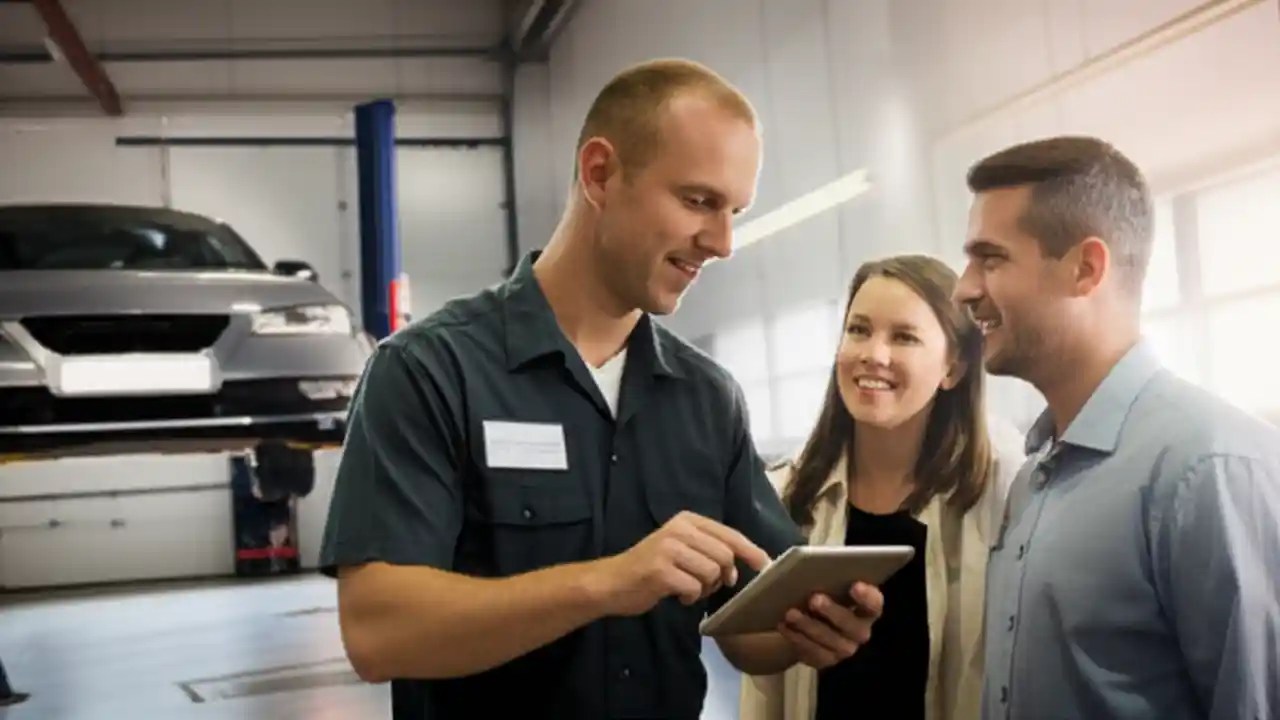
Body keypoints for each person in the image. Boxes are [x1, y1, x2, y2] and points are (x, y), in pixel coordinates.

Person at [319, 58, 886, 720]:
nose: (724, 242)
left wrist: (805, 628)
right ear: (599, 174)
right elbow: (379, 633)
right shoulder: (428, 372)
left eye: (735, 210)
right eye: (699, 200)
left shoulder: (707, 399)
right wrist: (607, 583)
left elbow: (743, 625)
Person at [954, 135, 1280, 720]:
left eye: (991, 258)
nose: (964, 287)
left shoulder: (1207, 466)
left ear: (1086, 268)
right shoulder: (1035, 478)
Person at [739, 254, 1023, 720]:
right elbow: (747, 654)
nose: (874, 353)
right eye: (858, 330)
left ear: (952, 369)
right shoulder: (786, 495)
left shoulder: (1000, 489)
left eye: (904, 337)